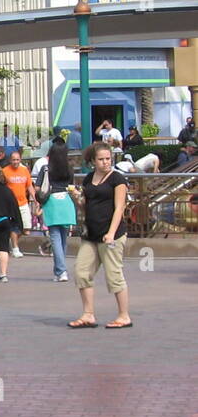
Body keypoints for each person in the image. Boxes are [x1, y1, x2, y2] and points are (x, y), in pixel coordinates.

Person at [67, 141, 131, 329]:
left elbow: (120, 207)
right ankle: (88, 314)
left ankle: (124, 315)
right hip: (91, 234)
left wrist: (111, 233)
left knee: (114, 275)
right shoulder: (88, 179)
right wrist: (76, 198)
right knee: (81, 271)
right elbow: (85, 206)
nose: (105, 162)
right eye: (101, 159)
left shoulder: (117, 179)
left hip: (111, 234)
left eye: (108, 159)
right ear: (93, 161)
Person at [41, 137, 76, 282]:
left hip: (52, 201)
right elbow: (71, 186)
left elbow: (39, 188)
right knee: (63, 238)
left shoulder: (46, 168)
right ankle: (58, 271)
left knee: (55, 237)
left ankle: (61, 271)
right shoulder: (69, 169)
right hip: (66, 201)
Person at [3, 148, 36, 257]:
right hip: (10, 204)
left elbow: (29, 185)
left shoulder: (25, 170)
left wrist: (35, 199)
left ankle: (12, 241)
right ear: (10, 160)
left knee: (26, 228)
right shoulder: (5, 171)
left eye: (17, 160)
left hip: (23, 203)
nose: (15, 162)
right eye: (13, 160)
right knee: (14, 227)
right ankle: (15, 248)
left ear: (20, 159)